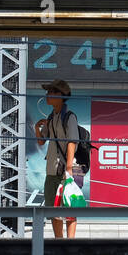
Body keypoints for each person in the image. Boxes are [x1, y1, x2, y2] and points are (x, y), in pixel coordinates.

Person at [34, 78, 84, 238]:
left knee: (69, 207)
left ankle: (70, 243)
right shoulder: (51, 117)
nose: (47, 95)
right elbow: (42, 141)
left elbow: (72, 141)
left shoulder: (69, 117)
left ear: (61, 95)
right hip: (52, 169)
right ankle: (59, 241)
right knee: (53, 208)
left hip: (70, 168)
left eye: (51, 92)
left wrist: (69, 168)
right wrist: (37, 128)